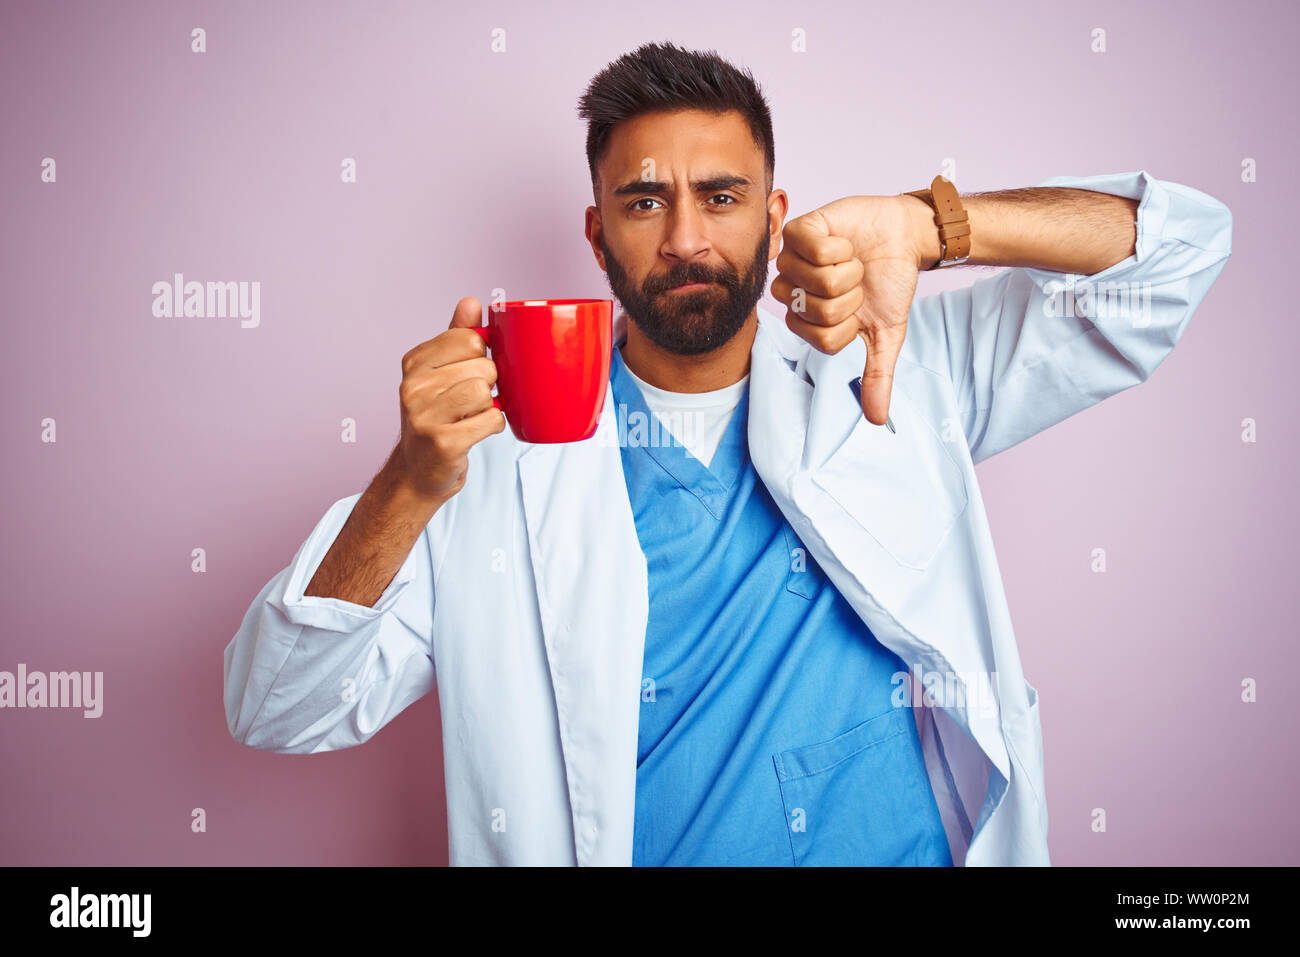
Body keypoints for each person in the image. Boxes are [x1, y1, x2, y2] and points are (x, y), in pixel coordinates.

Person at [223, 41, 1233, 866]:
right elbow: (277, 708)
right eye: (643, 201)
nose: (685, 240)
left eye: (720, 196)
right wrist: (410, 481)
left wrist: (936, 228)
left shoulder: (897, 364)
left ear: (773, 213)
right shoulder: (490, 462)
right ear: (595, 230)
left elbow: (1180, 255)